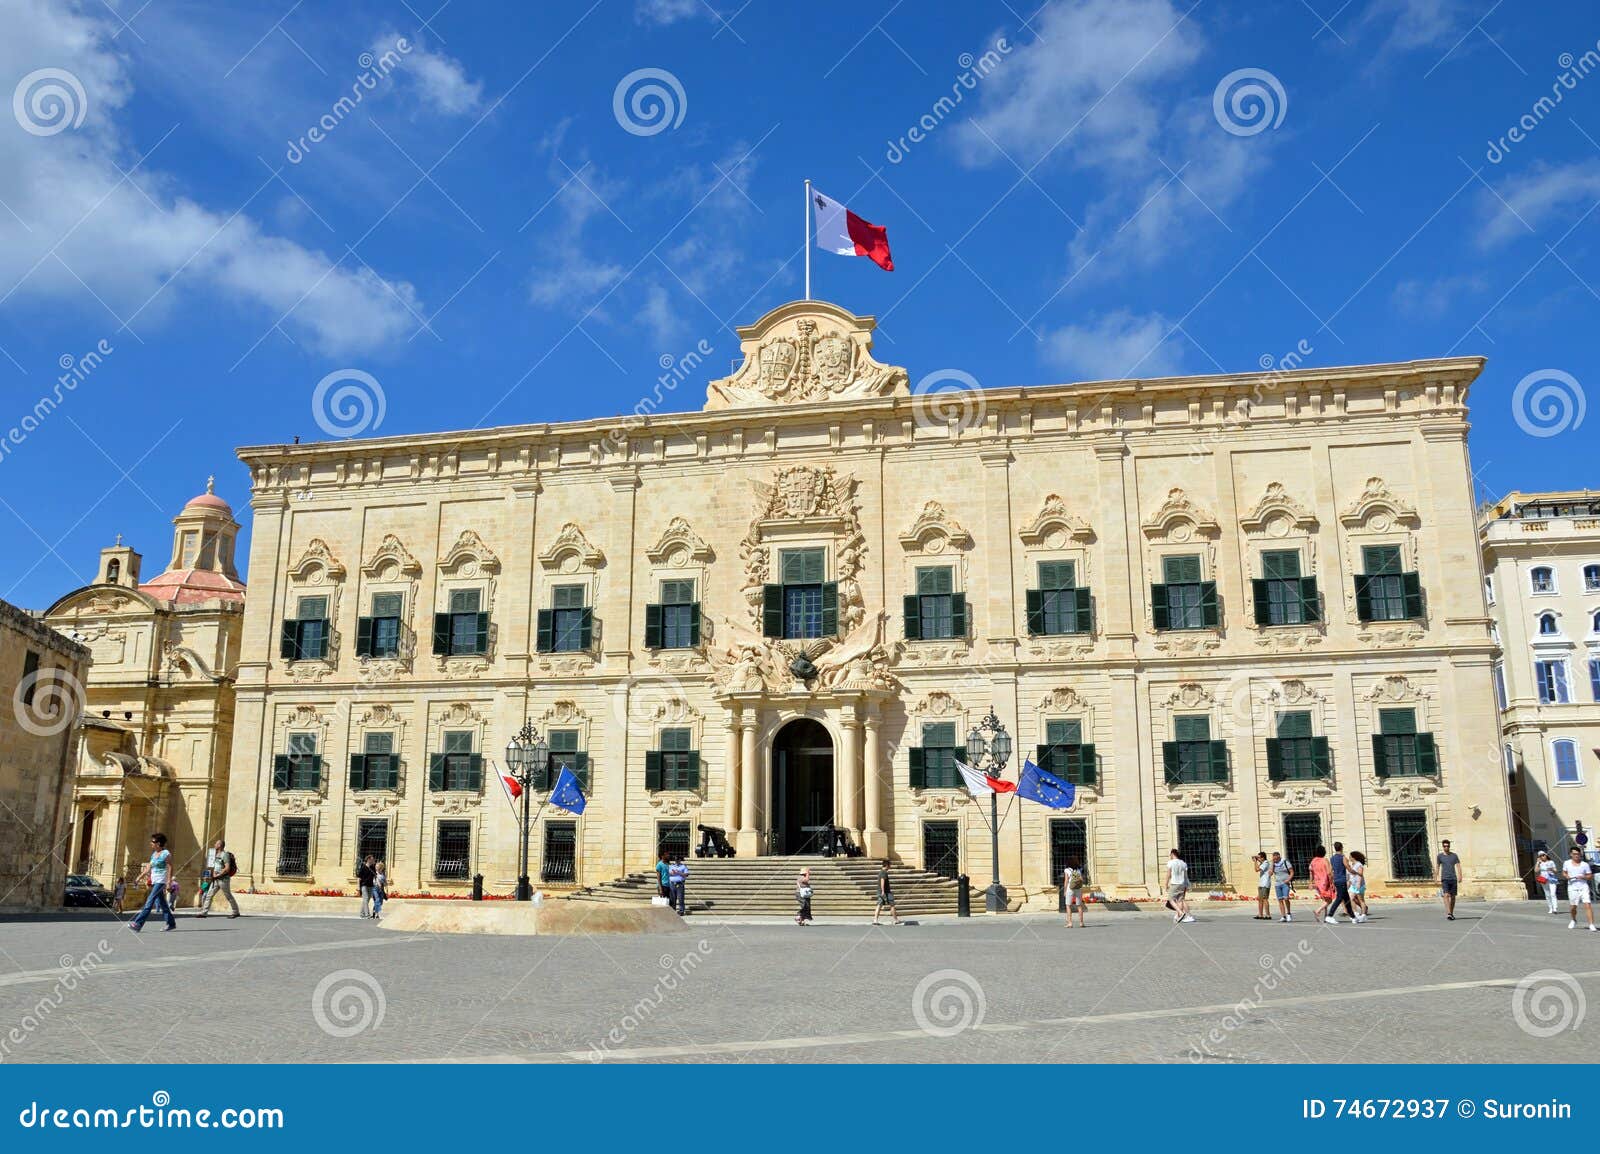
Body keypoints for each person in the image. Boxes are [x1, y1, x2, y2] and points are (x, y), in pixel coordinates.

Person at [128, 833, 176, 932]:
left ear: (158, 843)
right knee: (163, 904)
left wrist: (168, 882)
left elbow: (170, 867)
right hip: (154, 881)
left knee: (149, 902)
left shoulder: (166, 853)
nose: (151, 843)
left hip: (161, 881)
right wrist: (138, 877)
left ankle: (138, 924)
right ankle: (171, 923)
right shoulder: (154, 855)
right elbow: (148, 868)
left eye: (152, 842)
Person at [197, 838, 240, 918]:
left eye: (216, 844)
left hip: (223, 879)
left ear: (220, 845)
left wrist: (218, 875)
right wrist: (213, 874)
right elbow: (216, 866)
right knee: (209, 895)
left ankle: (236, 912)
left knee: (228, 895)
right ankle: (204, 912)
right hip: (216, 880)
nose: (214, 845)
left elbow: (227, 868)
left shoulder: (225, 855)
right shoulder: (216, 855)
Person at [1563, 847, 1596, 931]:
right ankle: (1573, 920)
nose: (1576, 856)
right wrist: (1567, 876)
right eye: (1574, 854)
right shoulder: (1567, 863)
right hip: (1572, 887)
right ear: (1570, 854)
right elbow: (1564, 872)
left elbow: (1590, 875)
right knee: (1573, 907)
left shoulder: (1585, 864)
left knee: (1587, 905)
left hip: (1583, 886)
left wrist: (1583, 876)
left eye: (1578, 854)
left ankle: (1591, 924)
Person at [1164, 848, 1194, 923]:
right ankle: (1179, 916)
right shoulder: (1183, 863)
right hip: (1182, 884)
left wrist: (1166, 884)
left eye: (1170, 855)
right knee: (1180, 900)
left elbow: (1168, 874)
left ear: (1172, 854)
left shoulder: (1170, 863)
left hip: (1175, 883)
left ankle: (1180, 913)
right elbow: (1186, 876)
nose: (1169, 856)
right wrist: (1188, 885)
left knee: (1171, 899)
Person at [1435, 839, 1463, 921]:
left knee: (1453, 897)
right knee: (1446, 895)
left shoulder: (1454, 856)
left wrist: (1460, 876)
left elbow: (1458, 866)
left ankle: (1451, 913)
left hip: (1453, 879)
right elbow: (1437, 867)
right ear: (1443, 847)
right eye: (1444, 846)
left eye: (1447, 846)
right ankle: (1448, 913)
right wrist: (1435, 877)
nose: (1446, 847)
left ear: (1449, 846)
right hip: (1445, 879)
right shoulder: (1440, 856)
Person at [1329, 842, 1356, 922]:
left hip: (1336, 880)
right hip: (1342, 880)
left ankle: (1353, 917)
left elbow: (1330, 871)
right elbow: (1348, 868)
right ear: (1341, 847)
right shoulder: (1343, 857)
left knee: (1346, 899)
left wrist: (1332, 881)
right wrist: (1356, 873)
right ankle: (1329, 915)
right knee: (1339, 898)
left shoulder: (1332, 858)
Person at [1309, 846, 1336, 924]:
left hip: (1317, 883)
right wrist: (1332, 883)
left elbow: (1311, 872)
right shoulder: (1325, 860)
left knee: (1325, 900)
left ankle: (1326, 916)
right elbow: (1329, 873)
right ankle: (1318, 910)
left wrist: (1311, 882)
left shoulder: (1313, 861)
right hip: (1325, 883)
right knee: (1329, 900)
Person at [1271, 851, 1294, 922]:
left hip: (1285, 883)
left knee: (1286, 898)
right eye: (1273, 859)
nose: (1274, 860)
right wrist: (1272, 864)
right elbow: (1270, 873)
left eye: (1275, 858)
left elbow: (1292, 872)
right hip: (1277, 884)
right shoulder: (1273, 864)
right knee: (1280, 900)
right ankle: (1283, 916)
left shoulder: (1285, 862)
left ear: (1279, 856)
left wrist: (1288, 880)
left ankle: (1289, 914)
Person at [1535, 850, 1560, 914]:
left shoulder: (1551, 862)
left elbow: (1555, 870)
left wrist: (1551, 869)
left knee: (1553, 894)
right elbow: (1536, 871)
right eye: (1540, 856)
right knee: (1547, 894)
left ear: (1546, 855)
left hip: (1551, 879)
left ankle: (1555, 908)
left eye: (1543, 855)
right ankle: (1550, 908)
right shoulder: (1540, 863)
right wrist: (1537, 863)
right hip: (1543, 879)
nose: (1542, 857)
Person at [1063, 860, 1086, 928]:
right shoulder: (1078, 870)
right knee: (1079, 905)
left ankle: (1070, 923)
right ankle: (1081, 923)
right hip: (1078, 888)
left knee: (1068, 905)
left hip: (1070, 888)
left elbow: (1066, 881)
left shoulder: (1066, 870)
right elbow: (1082, 879)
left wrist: (1064, 890)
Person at [1348, 850, 1369, 922]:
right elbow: (1351, 875)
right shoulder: (1352, 865)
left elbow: (1360, 874)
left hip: (1359, 884)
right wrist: (1349, 882)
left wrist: (1359, 884)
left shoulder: (1359, 864)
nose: (1349, 858)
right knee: (1351, 898)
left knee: (1361, 900)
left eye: (1350, 857)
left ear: (1354, 857)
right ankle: (1356, 913)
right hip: (1353, 885)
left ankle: (1364, 915)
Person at [1253, 852, 1272, 920]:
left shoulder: (1266, 863)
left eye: (1259, 857)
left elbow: (1256, 869)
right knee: (1260, 899)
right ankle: (1260, 914)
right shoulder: (1262, 863)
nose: (1258, 859)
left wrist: (1255, 862)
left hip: (1265, 884)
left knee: (1265, 899)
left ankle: (1268, 915)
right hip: (1261, 883)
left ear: (1262, 858)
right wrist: (1257, 861)